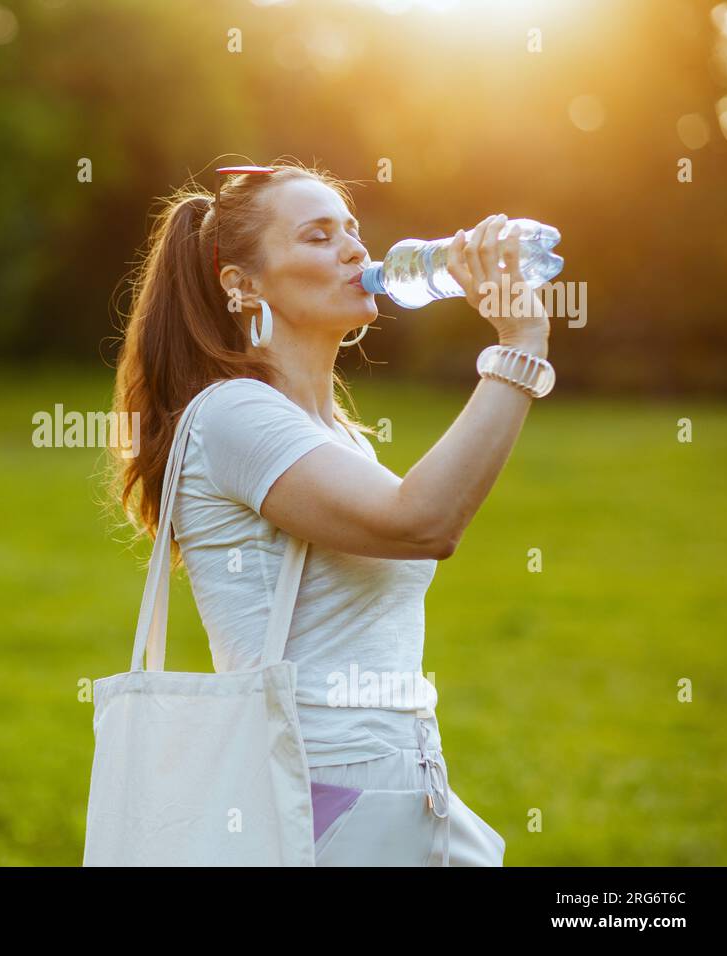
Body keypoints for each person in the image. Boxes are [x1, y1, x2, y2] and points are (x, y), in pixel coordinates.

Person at [107, 158, 553, 865]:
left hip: (395, 785)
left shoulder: (339, 435)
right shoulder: (233, 415)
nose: (355, 249)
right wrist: (518, 347)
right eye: (317, 236)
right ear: (242, 284)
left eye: (351, 229)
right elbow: (423, 523)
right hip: (316, 799)